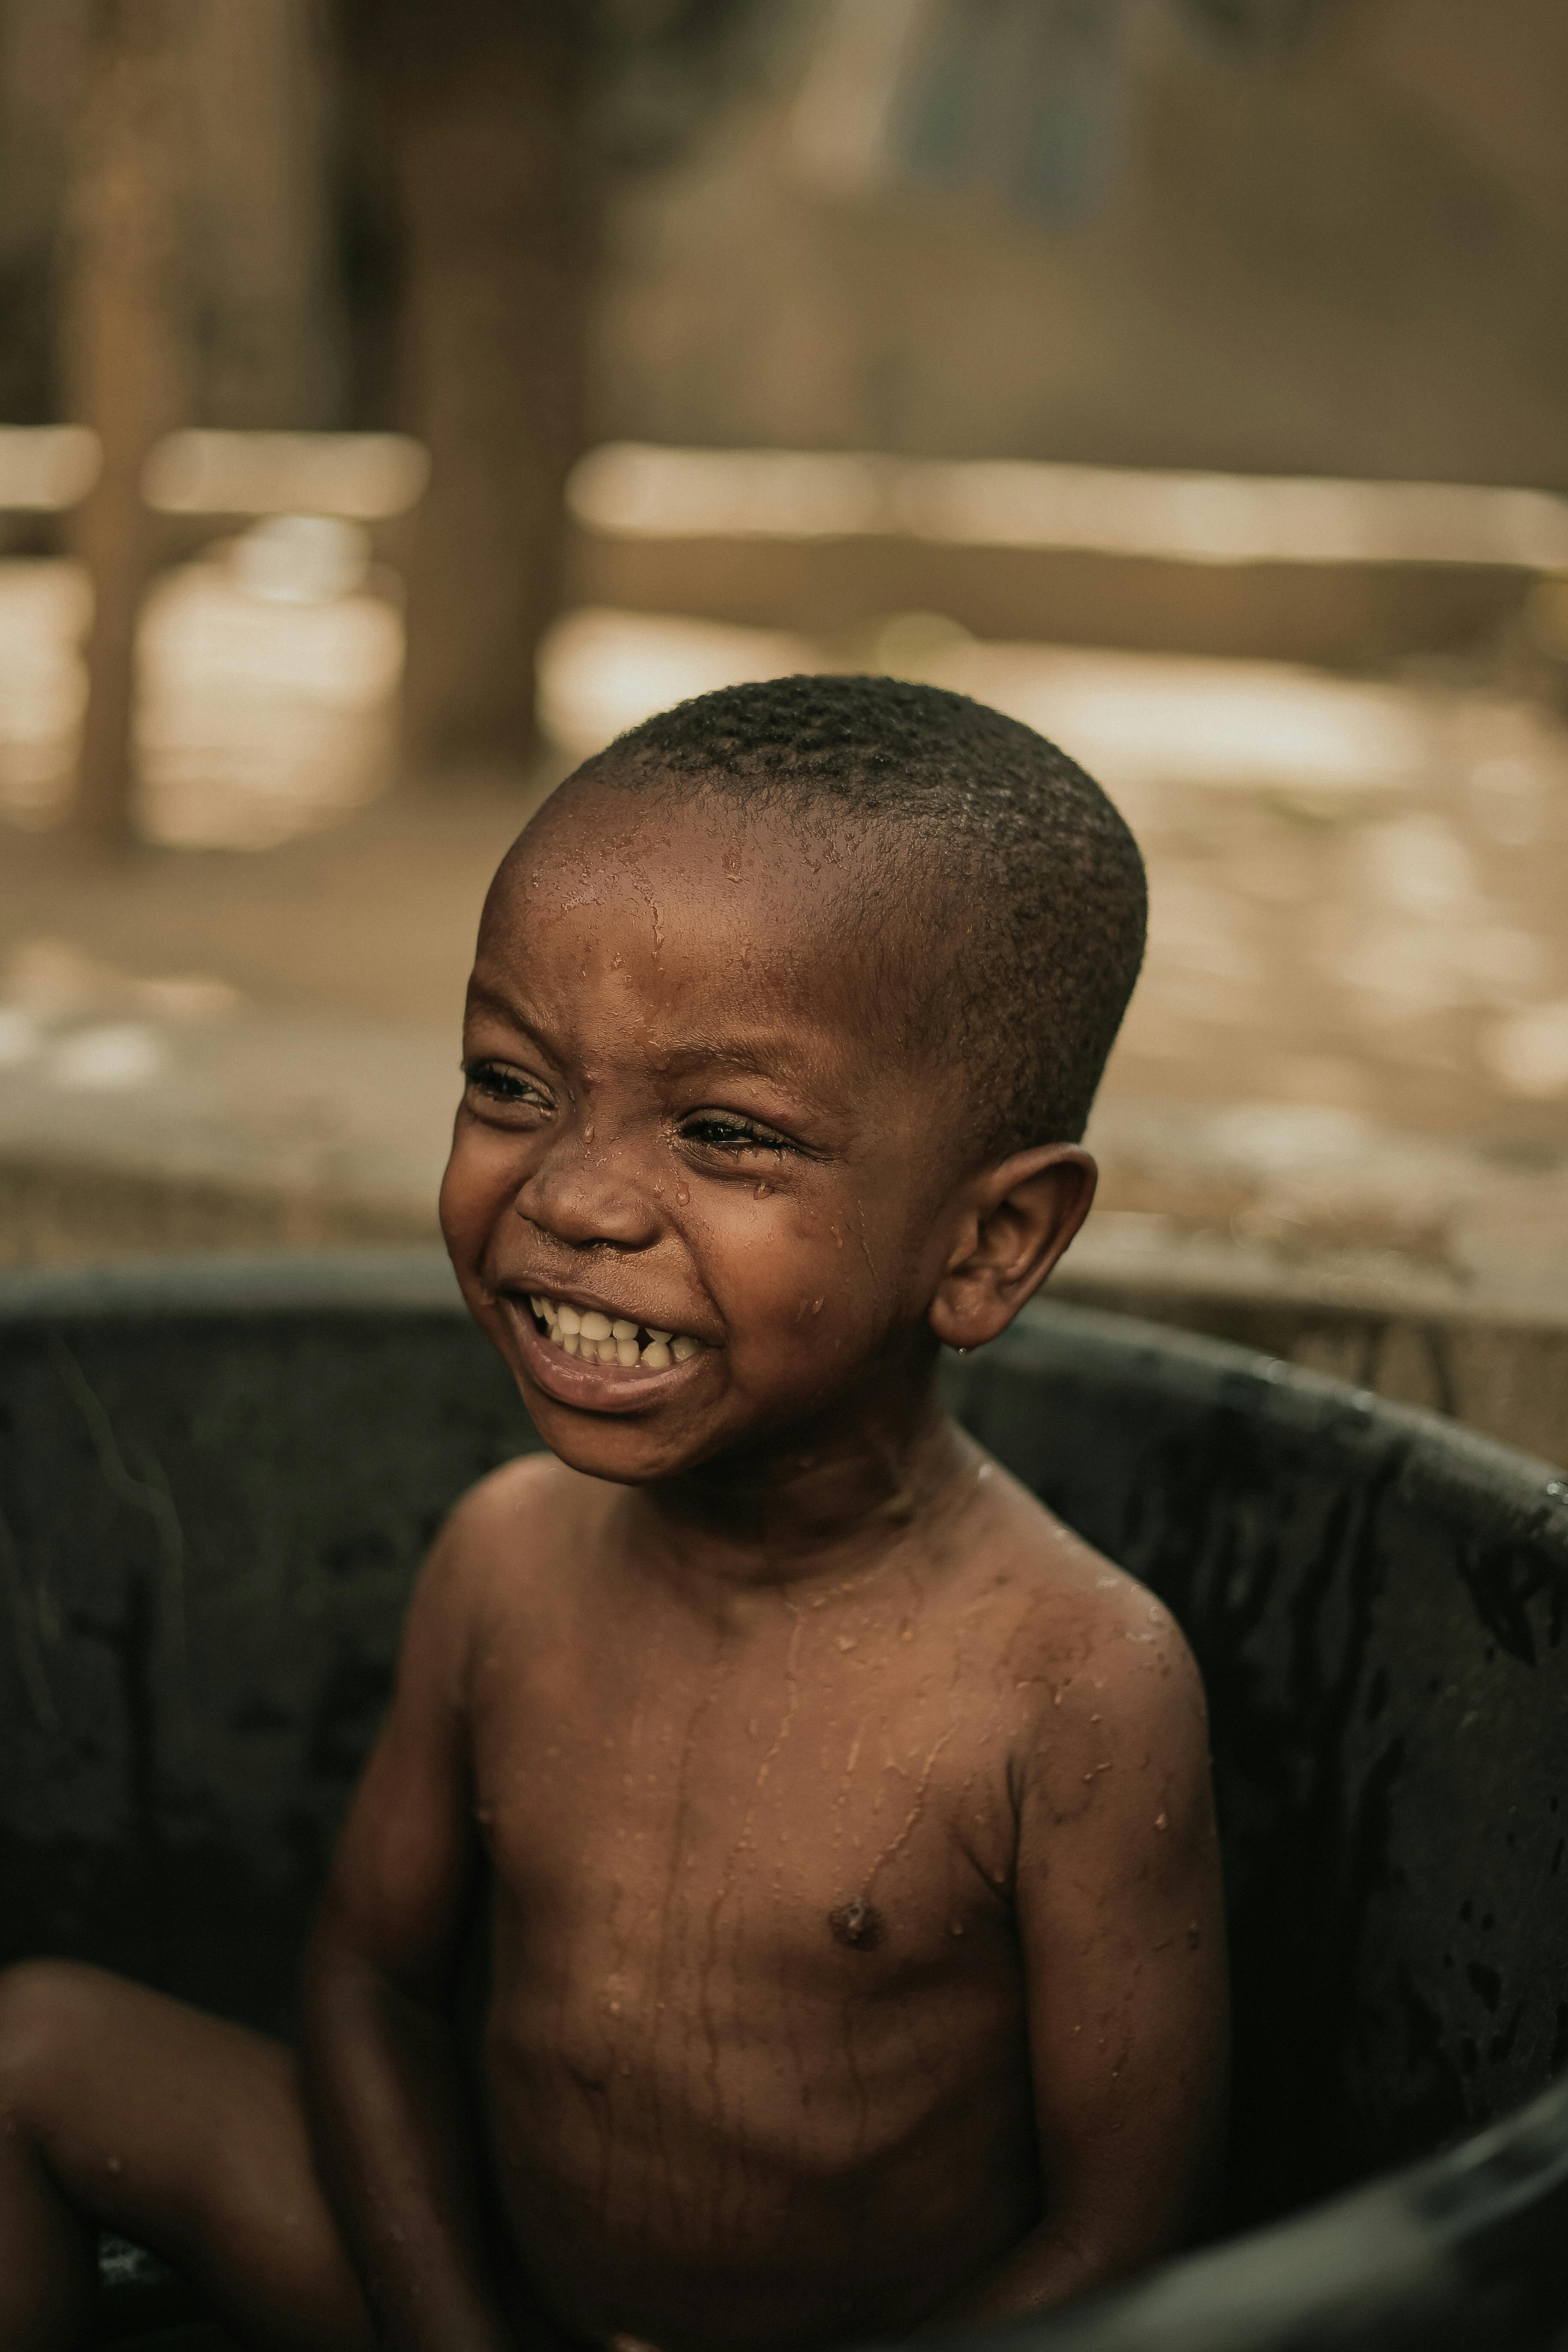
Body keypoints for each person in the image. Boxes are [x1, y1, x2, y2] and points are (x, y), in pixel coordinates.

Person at [0, 677, 1227, 2352]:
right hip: (481, 2289)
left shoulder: (1071, 1684)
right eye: (512, 1084)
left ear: (989, 1245)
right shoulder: (504, 1560)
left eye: (726, 1133)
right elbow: (368, 1985)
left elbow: (1123, 2238)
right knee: (36, 2053)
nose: (573, 1198)